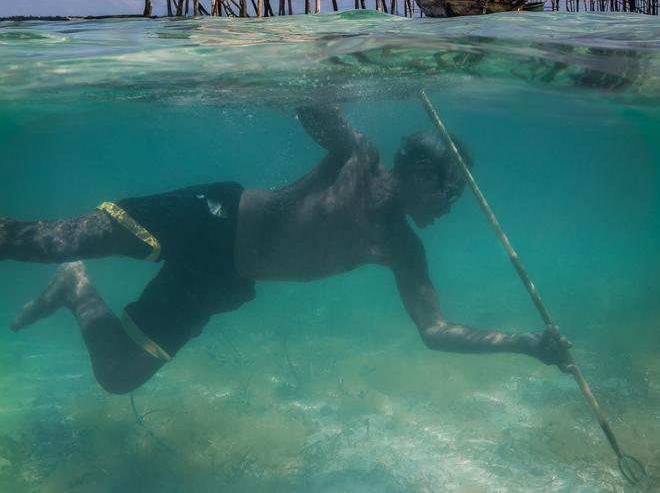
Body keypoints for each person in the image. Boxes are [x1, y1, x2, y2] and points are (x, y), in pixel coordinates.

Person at [0, 106, 571, 394]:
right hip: (210, 216)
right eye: (450, 190)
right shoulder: (361, 157)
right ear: (422, 171)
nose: (450, 205)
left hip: (225, 279)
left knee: (119, 374)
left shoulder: (403, 248)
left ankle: (75, 286)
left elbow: (435, 330)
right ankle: (60, 264)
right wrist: (340, 86)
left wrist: (529, 345)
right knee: (51, 241)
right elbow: (310, 107)